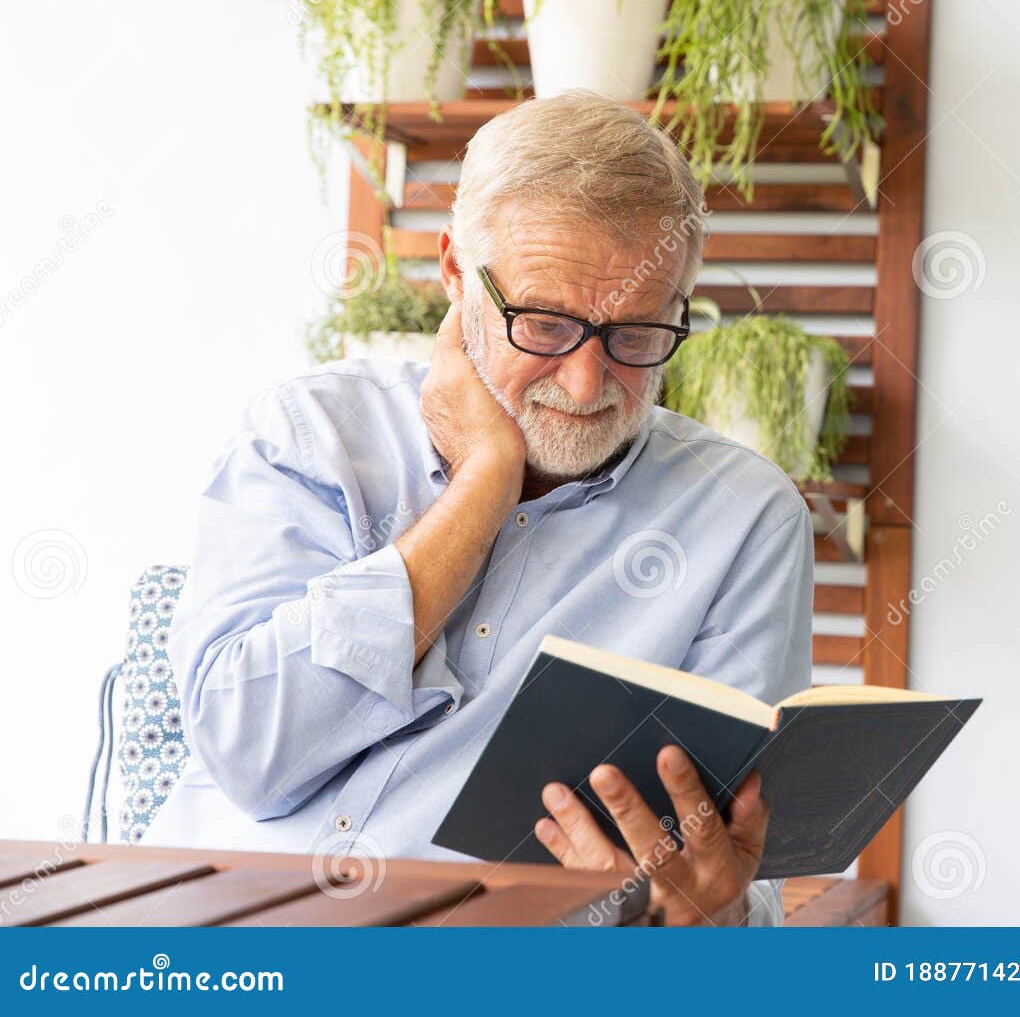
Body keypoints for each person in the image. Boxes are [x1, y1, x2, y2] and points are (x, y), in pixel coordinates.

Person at [140, 92, 815, 926]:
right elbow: (249, 751)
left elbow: (740, 882)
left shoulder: (744, 519)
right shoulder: (312, 433)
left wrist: (706, 914)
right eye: (544, 323)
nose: (585, 383)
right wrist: (483, 484)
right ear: (456, 272)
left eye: (636, 334)